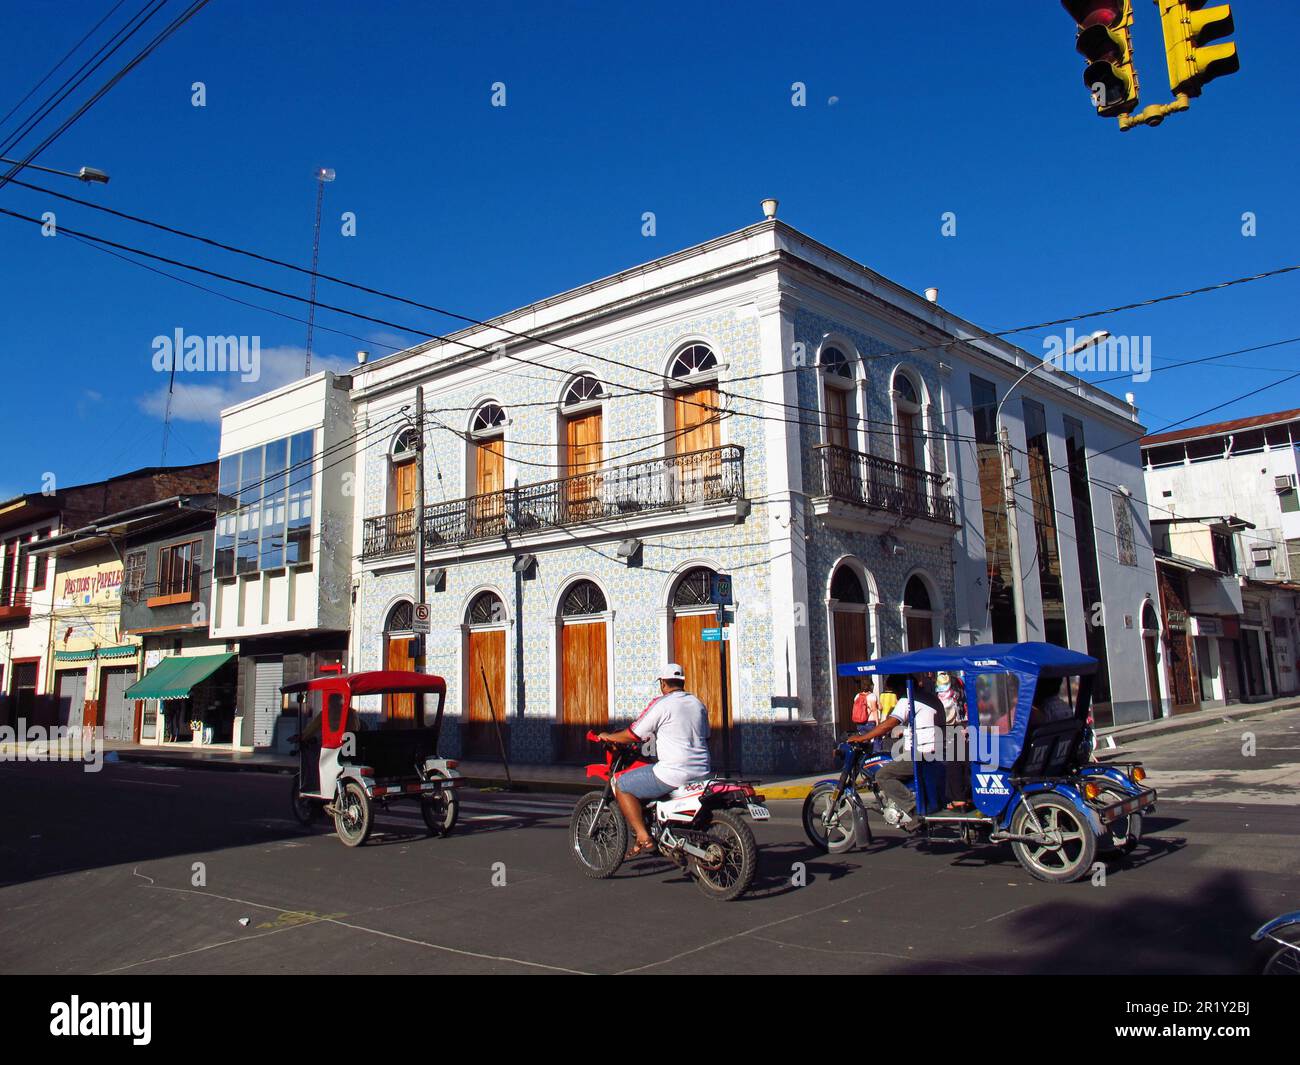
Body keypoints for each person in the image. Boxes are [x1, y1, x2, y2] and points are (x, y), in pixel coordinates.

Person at [596, 663, 711, 859]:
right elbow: (707, 735)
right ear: (682, 682)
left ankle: (643, 836)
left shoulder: (662, 703)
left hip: (673, 772)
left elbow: (634, 733)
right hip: (703, 771)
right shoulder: (697, 703)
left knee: (621, 784)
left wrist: (609, 736)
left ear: (663, 683)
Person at [846, 674, 941, 831]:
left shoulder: (908, 699)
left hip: (921, 753)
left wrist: (864, 737)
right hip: (935, 750)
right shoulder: (930, 697)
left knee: (883, 775)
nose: (895, 696)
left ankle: (913, 810)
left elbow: (889, 723)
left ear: (901, 687)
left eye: (895, 691)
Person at [935, 671, 973, 811]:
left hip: (954, 729)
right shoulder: (961, 685)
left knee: (954, 766)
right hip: (966, 727)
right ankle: (966, 796)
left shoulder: (946, 692)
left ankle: (959, 799)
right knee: (965, 765)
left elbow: (946, 712)